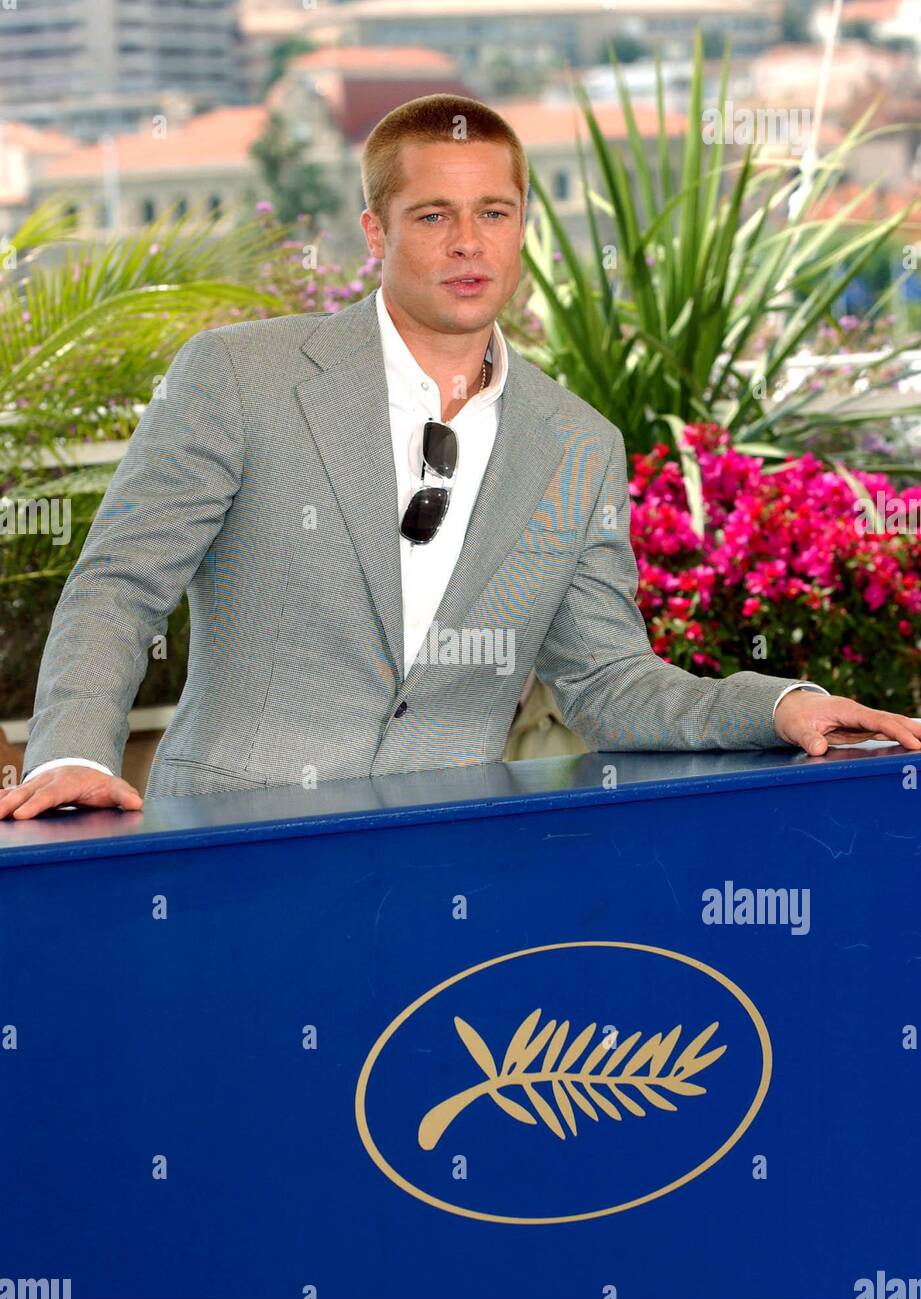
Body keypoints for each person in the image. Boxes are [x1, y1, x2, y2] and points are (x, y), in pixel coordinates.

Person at [3, 94, 918, 821]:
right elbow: (118, 583)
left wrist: (776, 706)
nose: (468, 242)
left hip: (451, 867)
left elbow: (605, 680)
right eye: (433, 214)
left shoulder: (578, 444)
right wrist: (74, 755)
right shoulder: (242, 376)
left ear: (523, 226)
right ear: (375, 232)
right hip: (230, 839)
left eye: (494, 211)